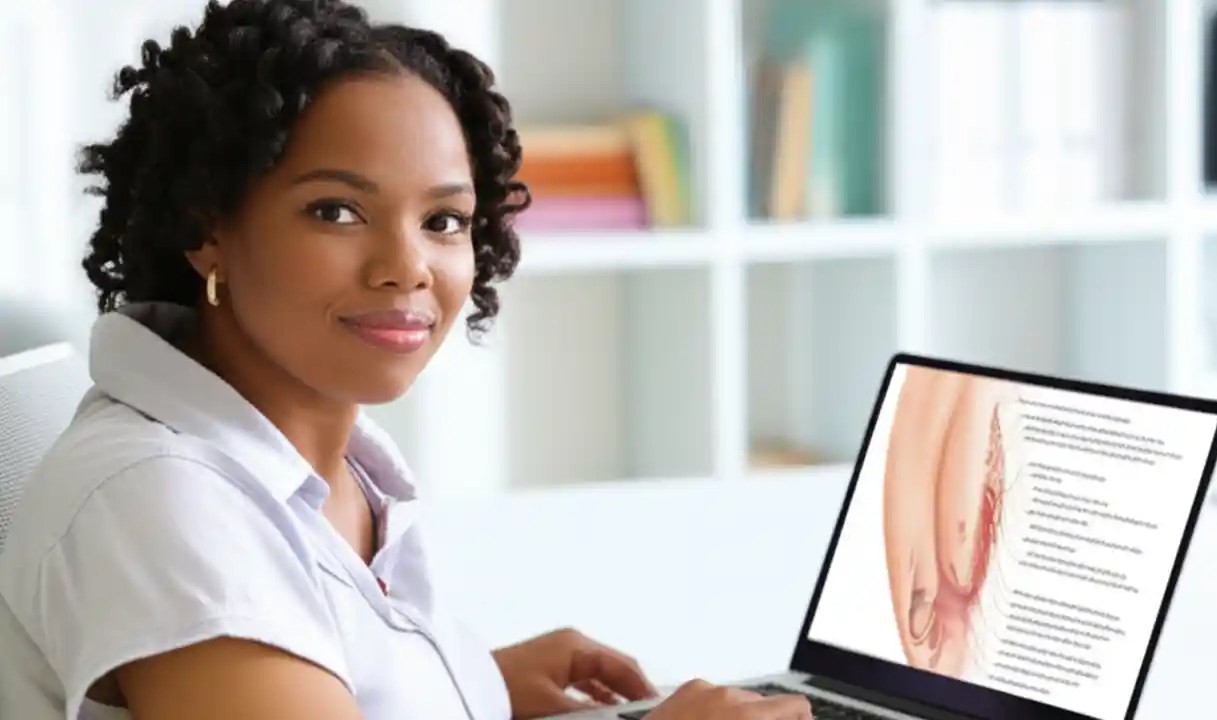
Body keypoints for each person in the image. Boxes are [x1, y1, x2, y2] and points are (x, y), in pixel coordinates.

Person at [0, 1, 812, 719]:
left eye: (443, 220)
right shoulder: (161, 500)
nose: (406, 267)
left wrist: (466, 683)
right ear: (207, 228)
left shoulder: (327, 457)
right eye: (337, 211)